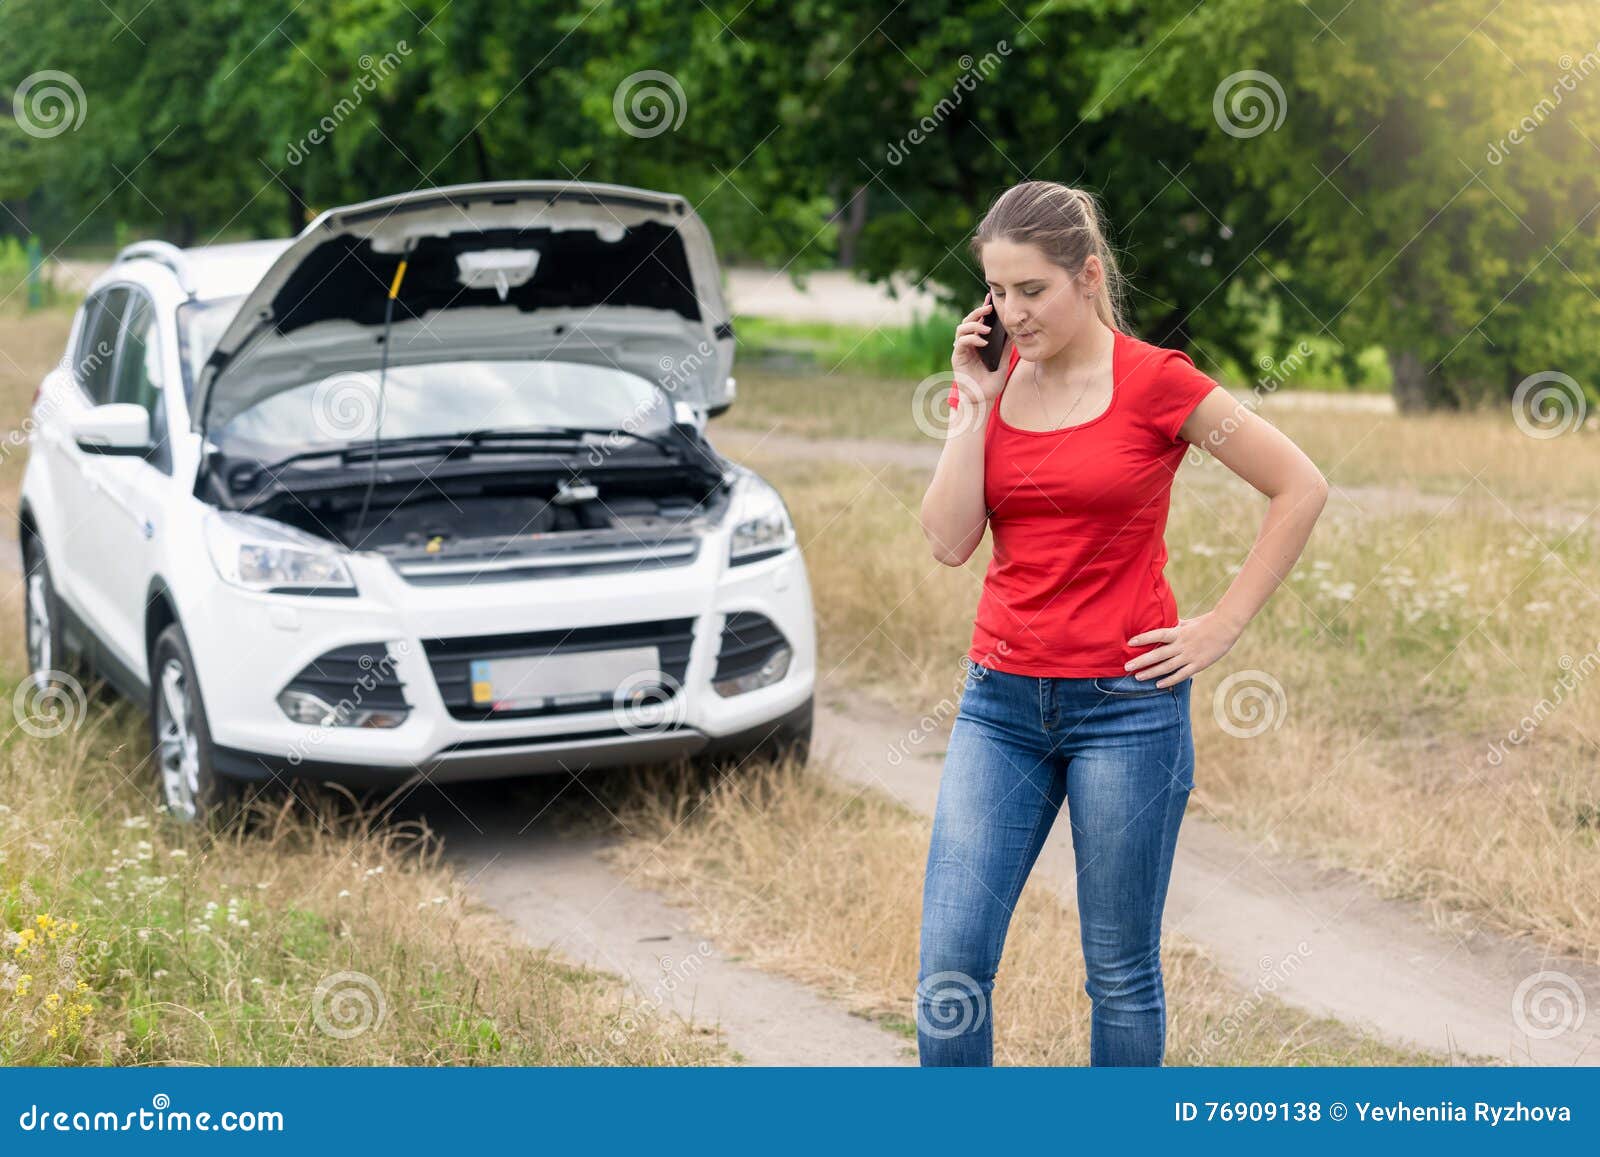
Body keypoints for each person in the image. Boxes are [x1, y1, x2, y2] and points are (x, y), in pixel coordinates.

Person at [915, 180, 1328, 1066]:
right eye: (997, 291)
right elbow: (950, 541)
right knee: (950, 965)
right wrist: (972, 402)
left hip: (1127, 710)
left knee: (1119, 972)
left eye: (1033, 290)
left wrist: (1222, 623)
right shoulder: (994, 381)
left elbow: (1300, 486)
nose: (1012, 313)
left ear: (1088, 276)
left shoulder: (1157, 384)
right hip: (1000, 706)